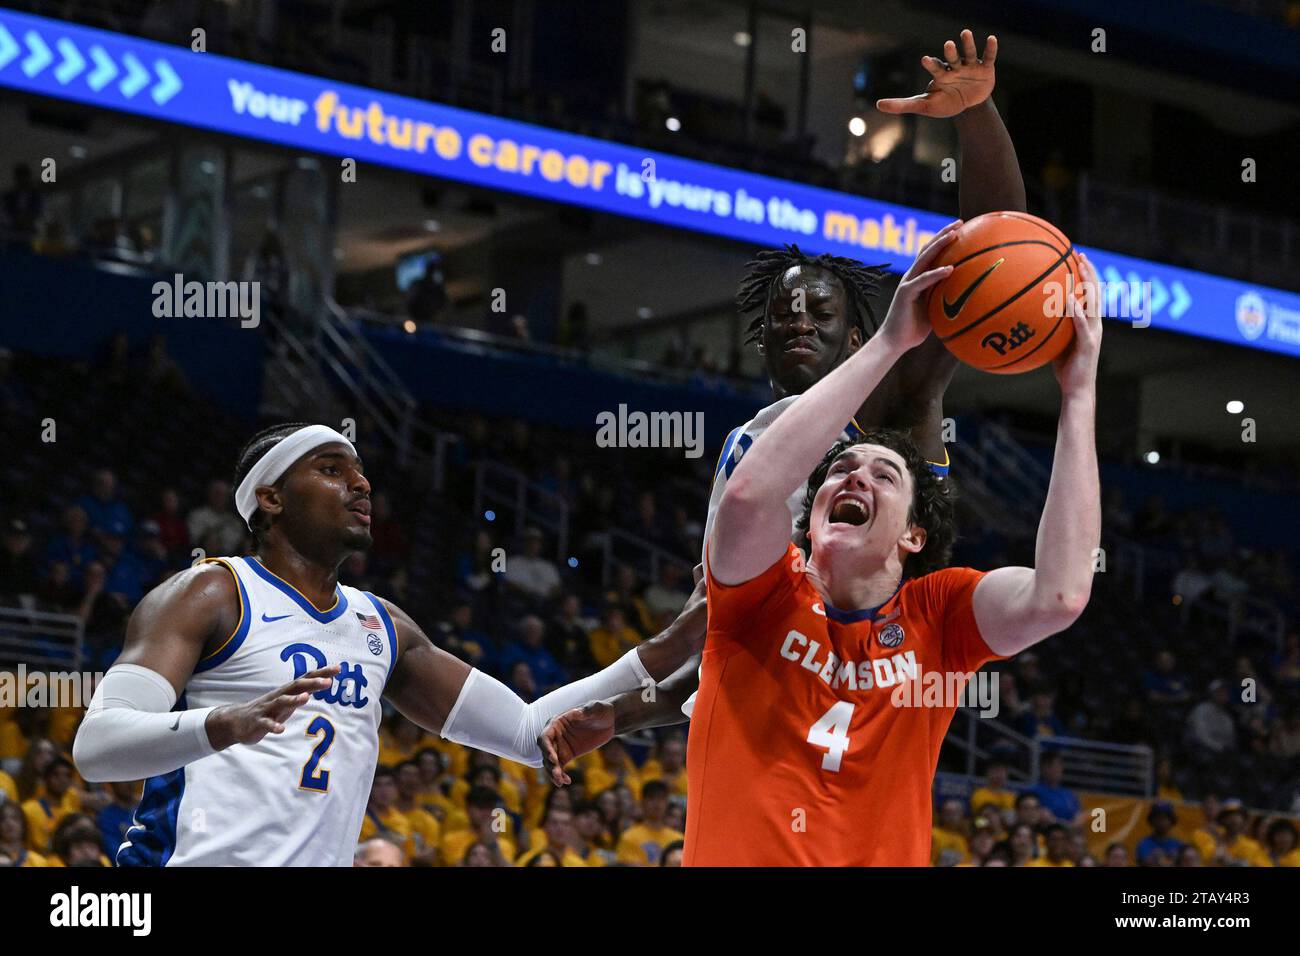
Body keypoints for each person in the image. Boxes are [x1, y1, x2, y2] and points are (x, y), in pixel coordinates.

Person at [540, 27, 1029, 758]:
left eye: (822, 311)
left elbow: (997, 253)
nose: (798, 317)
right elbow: (721, 632)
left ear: (858, 341)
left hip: (874, 687)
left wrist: (975, 115)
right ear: (762, 342)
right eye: (784, 312)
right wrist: (619, 716)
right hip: (767, 710)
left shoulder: (888, 407)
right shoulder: (750, 444)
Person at [648, 230, 1100, 864]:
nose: (854, 475)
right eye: (839, 471)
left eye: (883, 476)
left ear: (914, 534)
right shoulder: (760, 596)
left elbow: (1060, 594)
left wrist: (1078, 396)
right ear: (810, 520)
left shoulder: (938, 615)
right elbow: (750, 499)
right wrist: (890, 341)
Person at [71, 423, 664, 866]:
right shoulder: (211, 591)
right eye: (331, 469)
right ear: (271, 498)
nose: (360, 484)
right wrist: (222, 724)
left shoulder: (381, 625)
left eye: (359, 472)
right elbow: (97, 747)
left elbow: (530, 733)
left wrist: (671, 642)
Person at [1135, 801, 1184, 865]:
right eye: (1157, 817)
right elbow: (1141, 863)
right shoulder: (1143, 844)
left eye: (1165, 818)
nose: (1161, 821)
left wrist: (1178, 861)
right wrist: (1151, 859)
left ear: (1172, 821)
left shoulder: (1179, 845)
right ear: (1151, 821)